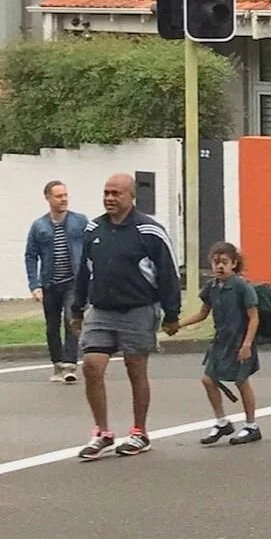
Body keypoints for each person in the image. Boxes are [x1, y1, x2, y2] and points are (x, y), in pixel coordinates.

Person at [70, 174, 182, 459]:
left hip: (138, 309)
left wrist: (172, 314)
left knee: (136, 370)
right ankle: (103, 432)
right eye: (106, 192)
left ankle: (139, 432)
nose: (109, 198)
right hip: (101, 310)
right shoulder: (94, 229)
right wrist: (76, 308)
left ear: (131, 197)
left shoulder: (149, 231)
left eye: (116, 193)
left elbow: (168, 273)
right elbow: (84, 271)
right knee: (92, 367)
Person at [172, 242, 263, 445]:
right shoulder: (212, 287)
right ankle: (222, 422)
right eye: (216, 262)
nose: (219, 266)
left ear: (234, 264)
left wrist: (247, 344)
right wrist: (178, 324)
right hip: (220, 341)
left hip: (239, 342)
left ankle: (251, 425)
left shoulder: (241, 287)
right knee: (208, 380)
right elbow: (203, 313)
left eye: (224, 262)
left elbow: (254, 317)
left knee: (241, 381)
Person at [24, 180, 89, 384]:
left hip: (74, 281)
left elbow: (91, 248)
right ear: (48, 198)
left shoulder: (79, 221)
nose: (64, 199)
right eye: (59, 196)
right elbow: (30, 255)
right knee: (52, 326)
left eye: (65, 195)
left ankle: (70, 365)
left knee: (71, 319)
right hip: (50, 283)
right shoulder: (39, 226)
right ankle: (57, 364)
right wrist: (34, 285)